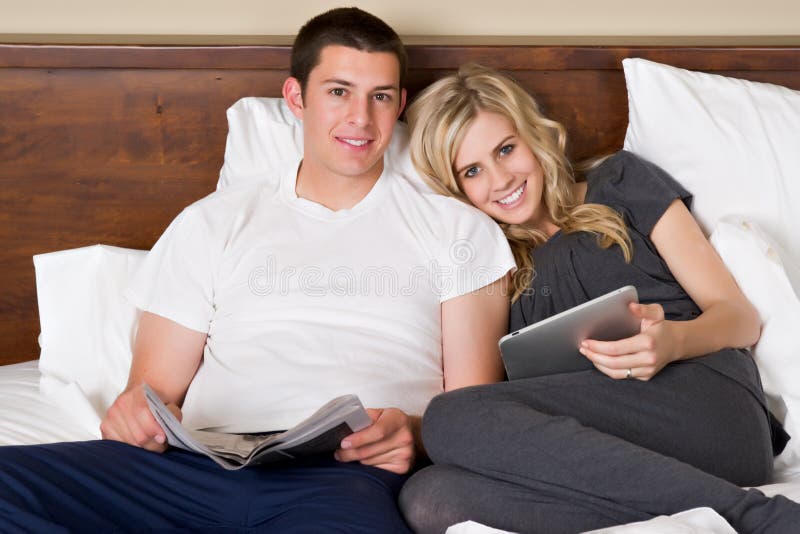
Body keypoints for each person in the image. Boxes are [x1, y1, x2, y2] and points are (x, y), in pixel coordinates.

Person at [0, 12, 516, 532]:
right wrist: (135, 415)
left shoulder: (458, 232)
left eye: (380, 96)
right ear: (296, 99)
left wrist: (414, 433)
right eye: (339, 91)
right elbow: (151, 394)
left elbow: (468, 414)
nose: (360, 117)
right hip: (191, 468)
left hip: (343, 478)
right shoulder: (213, 221)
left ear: (399, 105)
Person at [398, 63, 800, 534]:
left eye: (506, 149)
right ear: (455, 188)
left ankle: (763, 517)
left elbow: (738, 318)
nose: (501, 179)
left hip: (705, 406)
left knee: (447, 418)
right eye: (472, 171)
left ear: (533, 136)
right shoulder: (489, 265)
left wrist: (673, 341)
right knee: (430, 499)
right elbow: (487, 404)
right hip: (609, 447)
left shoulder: (621, 182)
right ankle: (713, 509)